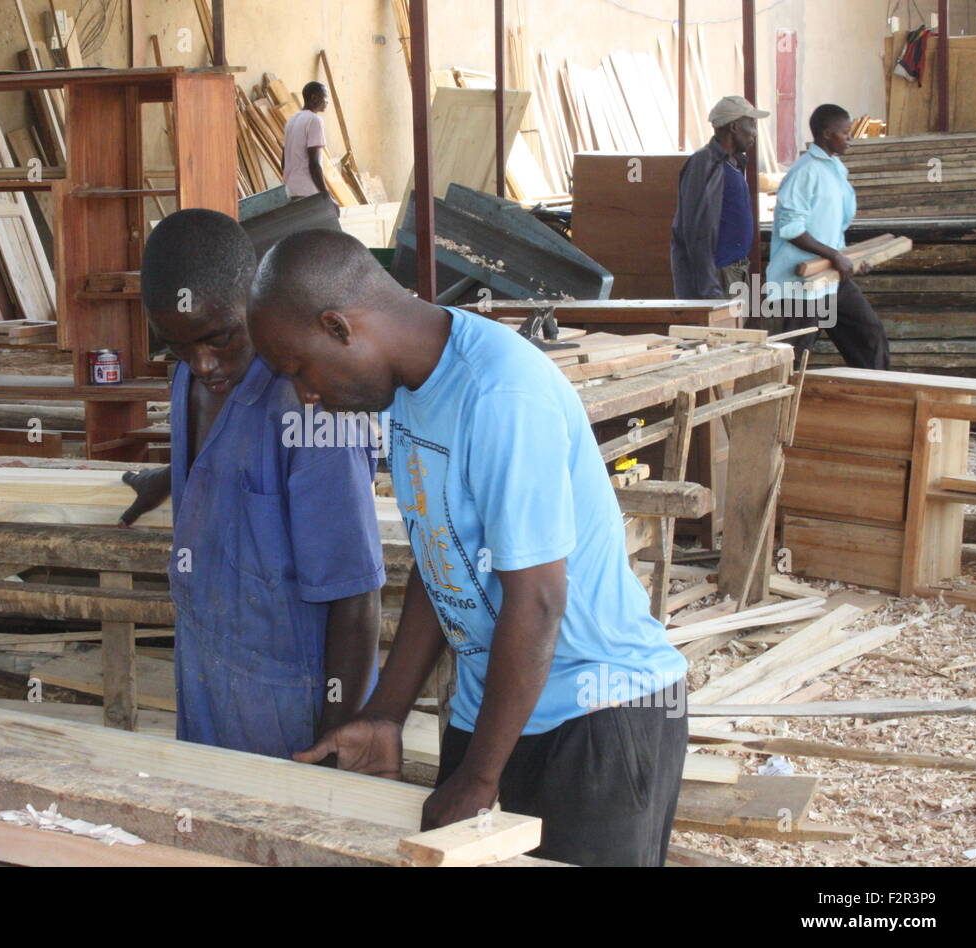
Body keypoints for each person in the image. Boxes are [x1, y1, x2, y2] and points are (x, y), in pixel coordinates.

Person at [247, 229, 690, 866]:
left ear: (339, 326)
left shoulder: (501, 394)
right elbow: (442, 556)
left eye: (299, 369)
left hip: (596, 719)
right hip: (496, 714)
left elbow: (538, 601)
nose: (305, 394)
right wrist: (386, 715)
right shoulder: (404, 395)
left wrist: (482, 780)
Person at [120, 209, 385, 759]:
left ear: (254, 297)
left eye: (219, 338)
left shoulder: (311, 404)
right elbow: (227, 462)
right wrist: (171, 479)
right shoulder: (188, 381)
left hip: (291, 706)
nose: (203, 364)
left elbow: (357, 594)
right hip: (204, 678)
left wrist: (334, 744)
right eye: (178, 347)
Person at [765, 103, 890, 369]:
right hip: (800, 283)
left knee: (869, 335)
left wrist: (847, 259)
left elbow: (831, 226)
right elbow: (790, 228)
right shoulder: (806, 172)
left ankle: (878, 397)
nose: (850, 139)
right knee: (794, 356)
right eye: (845, 133)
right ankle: (778, 406)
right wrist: (834, 255)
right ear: (826, 134)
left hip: (831, 277)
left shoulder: (834, 168)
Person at [671, 94, 769, 299]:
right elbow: (697, 230)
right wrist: (709, 286)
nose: (755, 133)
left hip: (734, 269)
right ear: (734, 127)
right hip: (717, 274)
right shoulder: (705, 163)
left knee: (736, 330)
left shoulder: (732, 163)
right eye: (751, 124)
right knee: (719, 331)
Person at [281, 81, 330, 201]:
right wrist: (325, 194)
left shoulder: (291, 120)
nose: (327, 101)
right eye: (325, 97)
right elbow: (314, 163)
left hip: (290, 189)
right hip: (307, 190)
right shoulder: (315, 121)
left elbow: (284, 161)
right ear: (314, 98)